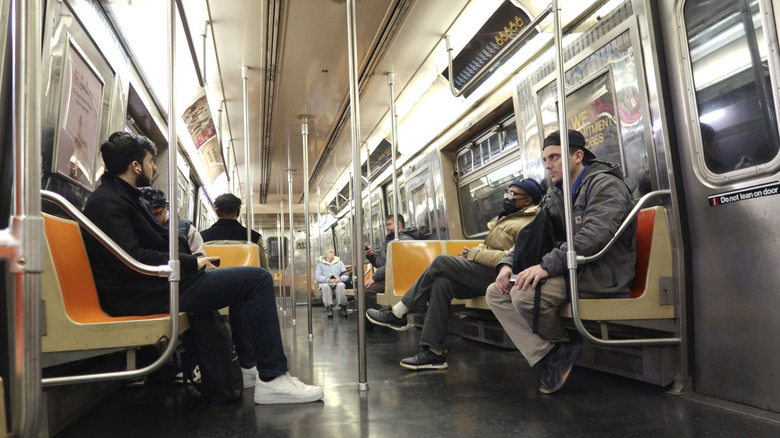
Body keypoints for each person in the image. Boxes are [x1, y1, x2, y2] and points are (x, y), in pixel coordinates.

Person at [82, 131, 323, 404]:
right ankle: (273, 377)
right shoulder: (108, 202)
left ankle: (249, 370)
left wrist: (192, 263)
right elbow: (133, 258)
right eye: (151, 161)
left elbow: (149, 248)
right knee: (258, 279)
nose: (154, 167)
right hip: (145, 291)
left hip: (157, 284)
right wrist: (191, 262)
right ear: (135, 166)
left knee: (245, 284)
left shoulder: (124, 197)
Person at [486, 129, 636, 394]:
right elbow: (531, 238)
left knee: (524, 295)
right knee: (496, 292)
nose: (548, 165)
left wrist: (545, 266)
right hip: (570, 270)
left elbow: (594, 237)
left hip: (600, 271)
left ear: (578, 156)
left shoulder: (605, 185)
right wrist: (508, 264)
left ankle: (562, 345)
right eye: (545, 159)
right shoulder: (555, 193)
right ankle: (552, 352)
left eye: (554, 157)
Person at [366, 178, 544, 370]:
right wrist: (478, 253)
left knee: (441, 261)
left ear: (528, 200)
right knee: (441, 283)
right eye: (506, 194)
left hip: (503, 276)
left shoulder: (530, 222)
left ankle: (400, 311)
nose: (507, 198)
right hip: (487, 269)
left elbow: (514, 257)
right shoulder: (508, 218)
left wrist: (476, 254)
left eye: (513, 195)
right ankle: (432, 352)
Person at [364, 214, 419, 310]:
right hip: (389, 276)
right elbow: (381, 264)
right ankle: (375, 319)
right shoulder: (390, 239)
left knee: (369, 291)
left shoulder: (404, 240)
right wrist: (372, 255)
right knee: (365, 289)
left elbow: (394, 264)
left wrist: (375, 277)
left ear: (398, 224)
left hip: (398, 278)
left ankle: (384, 315)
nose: (386, 227)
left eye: (389, 224)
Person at [200, 192, 268, 269]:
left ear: (217, 212)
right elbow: (263, 269)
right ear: (238, 212)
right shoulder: (254, 238)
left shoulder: (201, 237)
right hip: (246, 280)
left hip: (212, 280)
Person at [138, 186, 206, 258]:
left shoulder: (186, 229)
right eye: (147, 215)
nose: (152, 219)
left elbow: (200, 259)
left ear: (165, 207)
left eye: (157, 214)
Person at [316, 247, 349, 318]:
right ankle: (329, 308)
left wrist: (340, 279)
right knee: (325, 287)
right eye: (331, 252)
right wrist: (328, 280)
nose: (333, 253)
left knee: (341, 285)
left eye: (333, 252)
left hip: (337, 282)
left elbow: (346, 275)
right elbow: (318, 277)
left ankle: (343, 307)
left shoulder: (339, 263)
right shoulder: (320, 265)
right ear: (326, 255)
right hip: (326, 282)